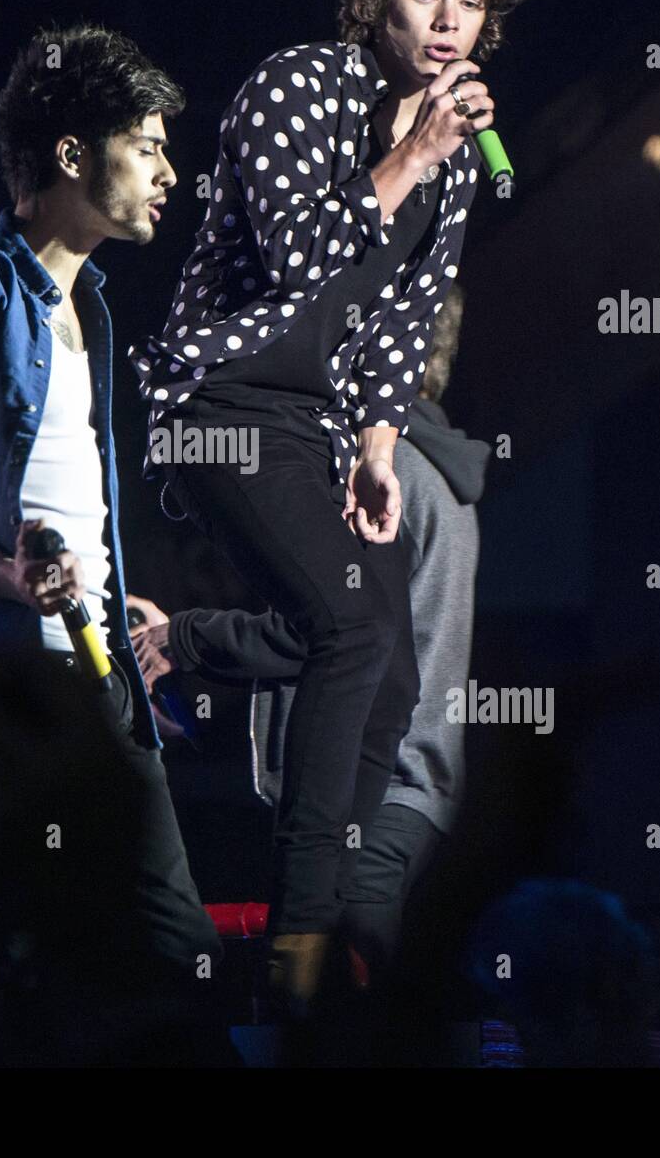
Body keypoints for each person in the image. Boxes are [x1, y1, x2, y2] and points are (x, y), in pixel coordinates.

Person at [128, 0, 529, 1017]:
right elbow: (301, 258)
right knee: (352, 625)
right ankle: (301, 953)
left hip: (316, 422)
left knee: (385, 660)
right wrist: (409, 159)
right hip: (222, 393)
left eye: (467, 5)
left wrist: (378, 447)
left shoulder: (455, 154)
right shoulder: (296, 87)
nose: (446, 24)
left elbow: (404, 323)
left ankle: (335, 907)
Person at [0, 22, 232, 1063]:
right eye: (150, 145)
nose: (172, 170)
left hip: (98, 674)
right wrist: (15, 578)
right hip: (2, 696)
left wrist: (111, 593)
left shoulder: (99, 307)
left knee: (158, 947)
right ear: (74, 154)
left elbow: (69, 501)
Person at [131, 287, 491, 992]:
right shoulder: (436, 471)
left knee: (336, 1002)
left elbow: (330, 632)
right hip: (406, 792)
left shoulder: (380, 475)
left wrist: (180, 636)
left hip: (380, 794)